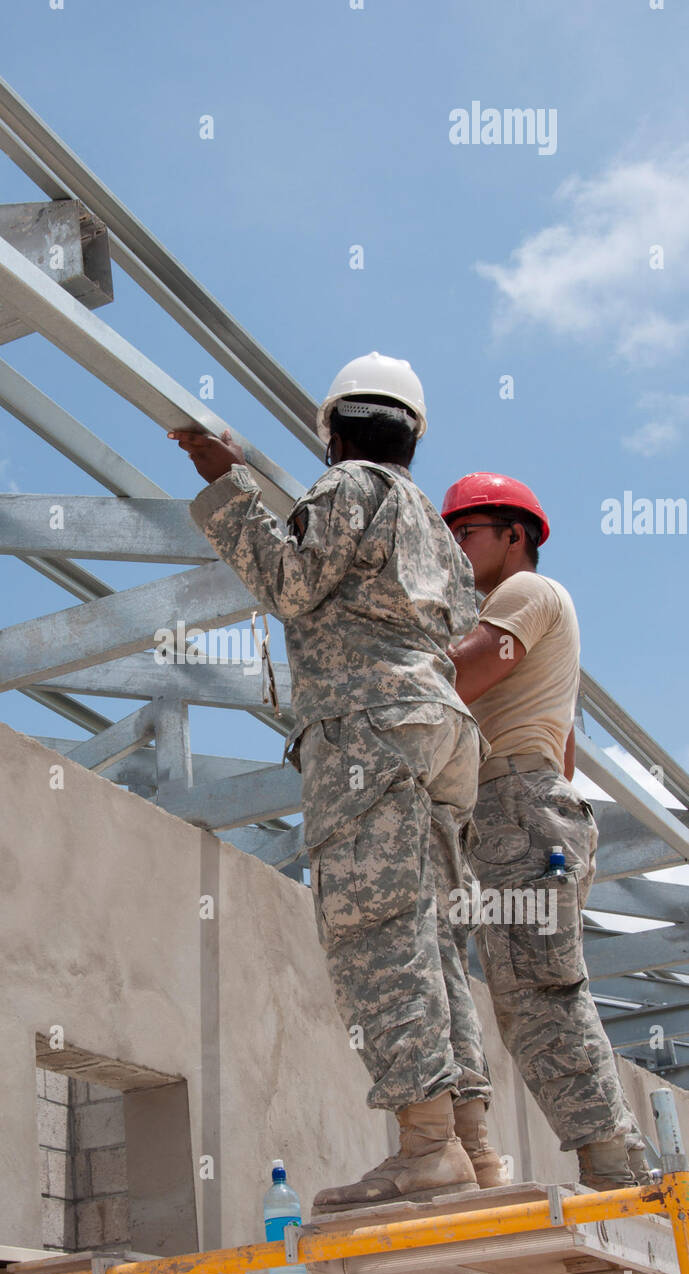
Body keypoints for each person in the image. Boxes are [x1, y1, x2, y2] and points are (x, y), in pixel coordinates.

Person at [170, 353, 506, 1213]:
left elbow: (288, 581)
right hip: (437, 735)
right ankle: (473, 1150)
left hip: (368, 729)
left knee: (375, 937)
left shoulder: (346, 485)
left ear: (334, 430)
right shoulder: (432, 524)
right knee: (430, 944)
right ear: (412, 436)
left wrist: (224, 486)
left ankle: (427, 1152)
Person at [443, 472, 649, 1189]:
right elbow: (561, 748)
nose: (455, 547)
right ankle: (608, 1161)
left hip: (516, 805)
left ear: (513, 534)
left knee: (535, 991)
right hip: (518, 808)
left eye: (465, 532)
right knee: (528, 989)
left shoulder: (524, 594)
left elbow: (458, 680)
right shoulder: (510, 606)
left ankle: (614, 1167)